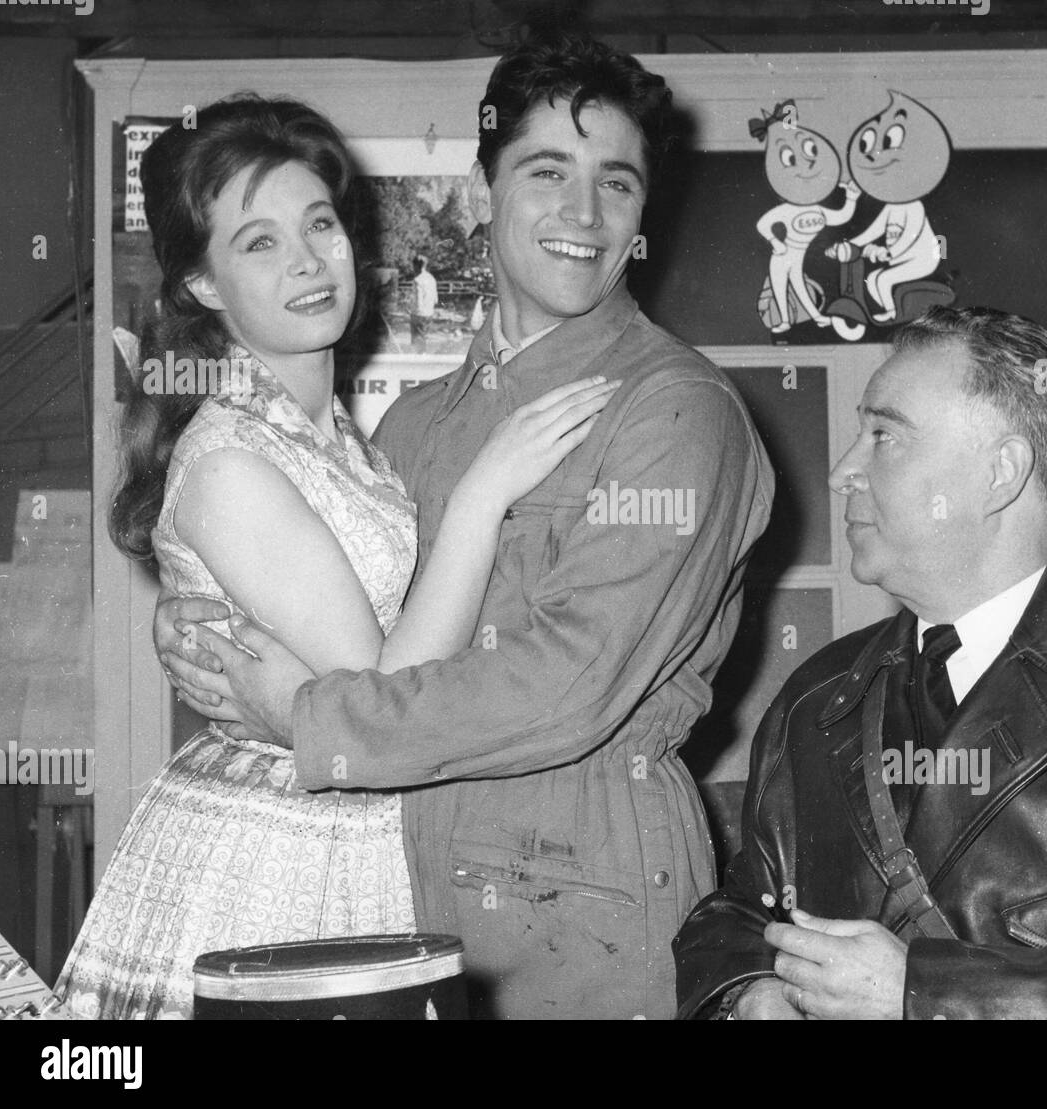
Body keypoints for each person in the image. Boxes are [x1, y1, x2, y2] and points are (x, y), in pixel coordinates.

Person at [154, 31, 775, 1019]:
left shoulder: (674, 412)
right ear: (482, 196)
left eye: (616, 184)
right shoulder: (412, 422)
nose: (583, 213)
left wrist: (307, 717)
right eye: (546, 173)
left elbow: (568, 683)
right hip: (394, 891)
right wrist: (201, 609)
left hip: (582, 909)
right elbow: (356, 625)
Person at [58, 94, 616, 1019]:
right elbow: (378, 692)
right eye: (258, 242)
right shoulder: (230, 457)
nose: (309, 261)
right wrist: (485, 489)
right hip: (279, 850)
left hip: (359, 819)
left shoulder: (339, 437)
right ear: (200, 284)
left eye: (318, 223)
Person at [674, 306, 1047, 1020]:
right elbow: (745, 911)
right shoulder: (821, 694)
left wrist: (923, 992)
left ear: (1001, 472)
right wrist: (751, 988)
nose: (843, 471)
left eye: (883, 435)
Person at [410, 254, 438, 350]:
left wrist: (411, 309)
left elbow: (418, 301)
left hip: (418, 314)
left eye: (413, 266)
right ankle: (423, 357)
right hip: (429, 313)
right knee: (424, 339)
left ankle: (418, 359)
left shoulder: (417, 280)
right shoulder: (431, 279)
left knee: (417, 343)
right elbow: (436, 299)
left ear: (417, 266)